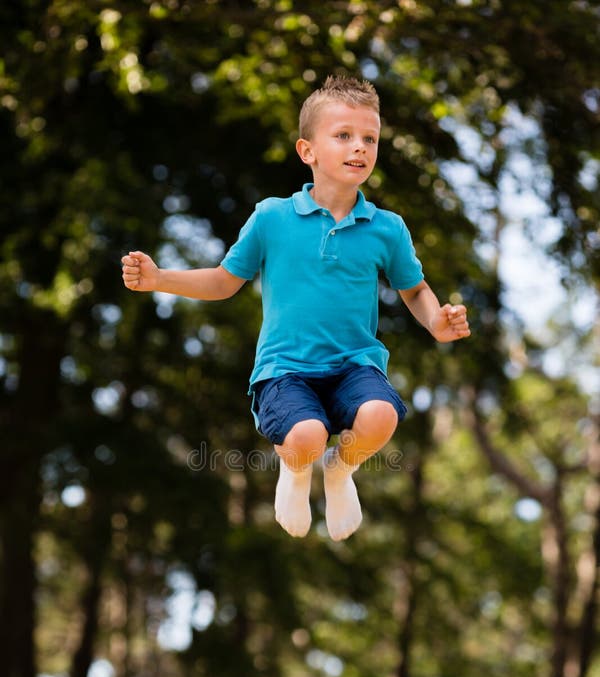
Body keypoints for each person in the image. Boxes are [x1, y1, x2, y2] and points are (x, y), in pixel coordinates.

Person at [122, 75, 470, 541]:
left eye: (370, 138)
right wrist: (161, 279)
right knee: (304, 435)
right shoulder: (271, 218)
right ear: (307, 151)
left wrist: (436, 322)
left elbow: (414, 289)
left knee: (381, 416)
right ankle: (298, 470)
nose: (360, 147)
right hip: (285, 369)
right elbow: (225, 282)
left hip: (355, 364)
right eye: (344, 135)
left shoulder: (387, 228)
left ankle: (340, 471)